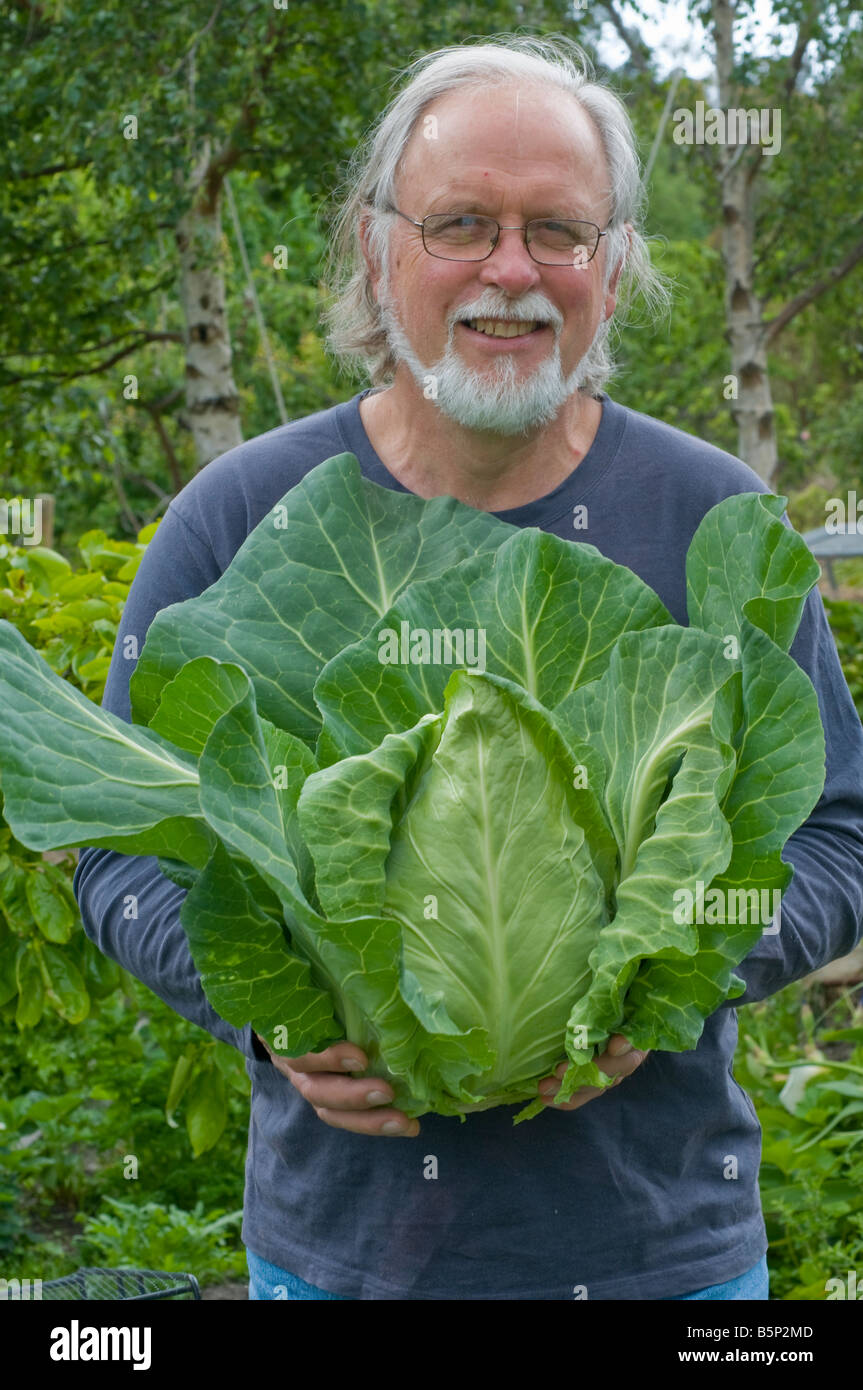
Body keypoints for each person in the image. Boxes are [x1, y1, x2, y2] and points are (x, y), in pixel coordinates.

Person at [73, 35, 863, 1301]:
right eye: (460, 224)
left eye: (557, 229)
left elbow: (836, 835)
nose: (511, 270)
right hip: (342, 1266)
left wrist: (672, 973)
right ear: (378, 249)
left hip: (663, 1260)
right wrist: (268, 1019)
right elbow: (113, 845)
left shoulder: (708, 517)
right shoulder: (239, 516)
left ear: (610, 264)